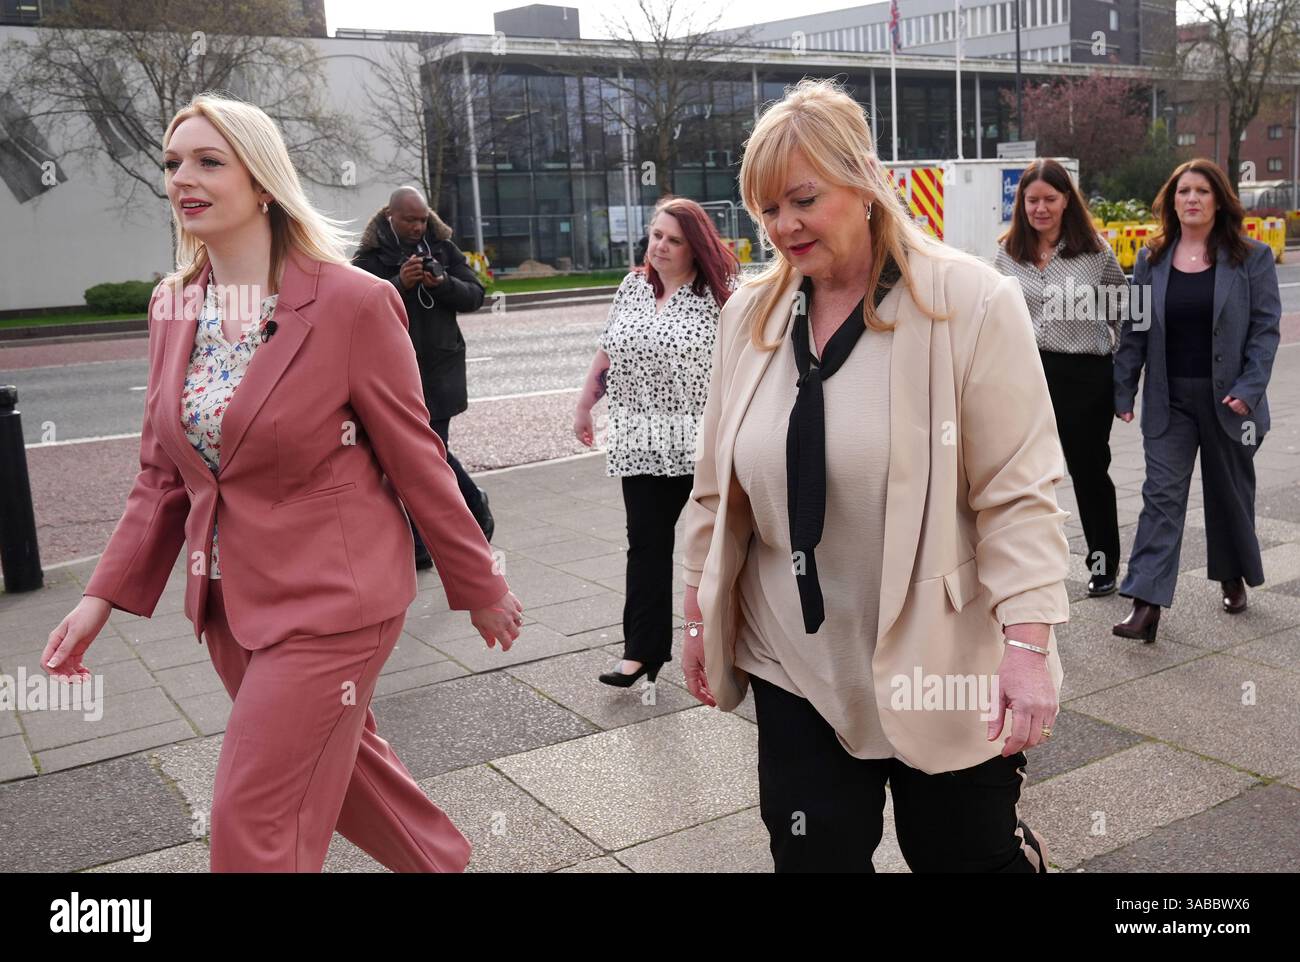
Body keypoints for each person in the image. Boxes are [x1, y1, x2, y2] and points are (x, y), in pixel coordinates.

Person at [41, 93, 523, 872]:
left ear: (261, 181)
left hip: (336, 601)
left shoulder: (352, 302)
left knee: (250, 825)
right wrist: (98, 600)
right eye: (172, 163)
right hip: (230, 605)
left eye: (208, 161)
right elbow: (162, 475)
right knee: (354, 776)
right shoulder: (173, 307)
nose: (182, 178)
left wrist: (479, 583)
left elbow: (417, 457)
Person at [682, 78, 1071, 872]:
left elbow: (1018, 491)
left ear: (864, 180)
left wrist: (1028, 645)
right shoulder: (747, 317)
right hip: (794, 656)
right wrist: (696, 609)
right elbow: (716, 489)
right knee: (812, 856)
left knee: (964, 856)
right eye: (766, 209)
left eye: (802, 199)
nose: (782, 227)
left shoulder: (970, 303)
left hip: (942, 653)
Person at [1112, 158, 1281, 642]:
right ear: (1172, 200)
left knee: (1229, 496)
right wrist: (1124, 388)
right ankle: (1146, 605)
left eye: (1202, 191)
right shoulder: (1151, 259)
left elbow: (1266, 331)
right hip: (1170, 401)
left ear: (1219, 200)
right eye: (1183, 191)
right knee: (1160, 499)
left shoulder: (1251, 256)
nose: (1191, 199)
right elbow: (1135, 329)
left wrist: (1249, 391)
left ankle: (1232, 577)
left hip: (1230, 401)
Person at [573, 196, 738, 687]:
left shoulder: (721, 299)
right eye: (656, 235)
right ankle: (642, 652)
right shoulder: (632, 288)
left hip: (703, 441)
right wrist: (585, 404)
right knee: (644, 546)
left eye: (674, 240)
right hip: (639, 439)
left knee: (722, 545)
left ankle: (737, 639)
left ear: (695, 247)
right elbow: (609, 350)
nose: (660, 246)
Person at [995, 159, 1127, 596]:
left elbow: (1123, 313)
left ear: (1066, 200)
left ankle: (1103, 564)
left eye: (1049, 199)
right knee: (1026, 477)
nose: (1040, 208)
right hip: (1027, 377)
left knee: (1090, 473)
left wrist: (1123, 377)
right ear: (1022, 203)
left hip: (1085, 377)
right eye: (1032, 200)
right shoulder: (1006, 253)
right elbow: (991, 317)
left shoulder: (1096, 253)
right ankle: (1030, 569)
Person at [353, 186, 495, 567]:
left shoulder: (443, 248)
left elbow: (475, 295)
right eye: (409, 220)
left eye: (421, 219)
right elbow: (356, 311)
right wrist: (399, 285)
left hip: (439, 369)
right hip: (391, 376)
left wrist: (442, 283)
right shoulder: (369, 259)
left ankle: (423, 540)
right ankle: (464, 508)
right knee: (410, 457)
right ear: (391, 217)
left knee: (429, 453)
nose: (418, 227)